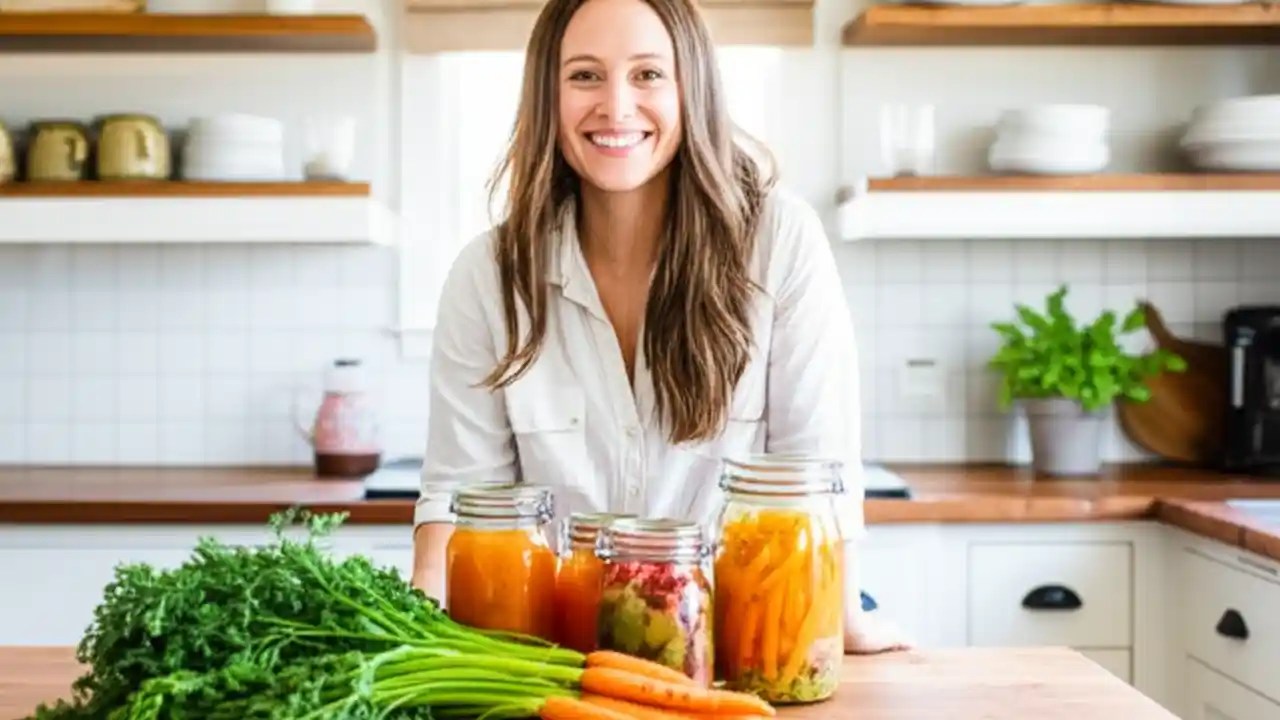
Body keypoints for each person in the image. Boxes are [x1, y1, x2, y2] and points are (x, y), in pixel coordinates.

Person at [410, 0, 909, 654]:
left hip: (745, 634)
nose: (616, 107)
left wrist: (843, 620)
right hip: (562, 647)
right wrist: (416, 626)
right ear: (546, 96)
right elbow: (460, 496)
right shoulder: (488, 275)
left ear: (691, 89)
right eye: (584, 76)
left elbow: (816, 467)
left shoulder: (779, 243)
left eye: (648, 75)